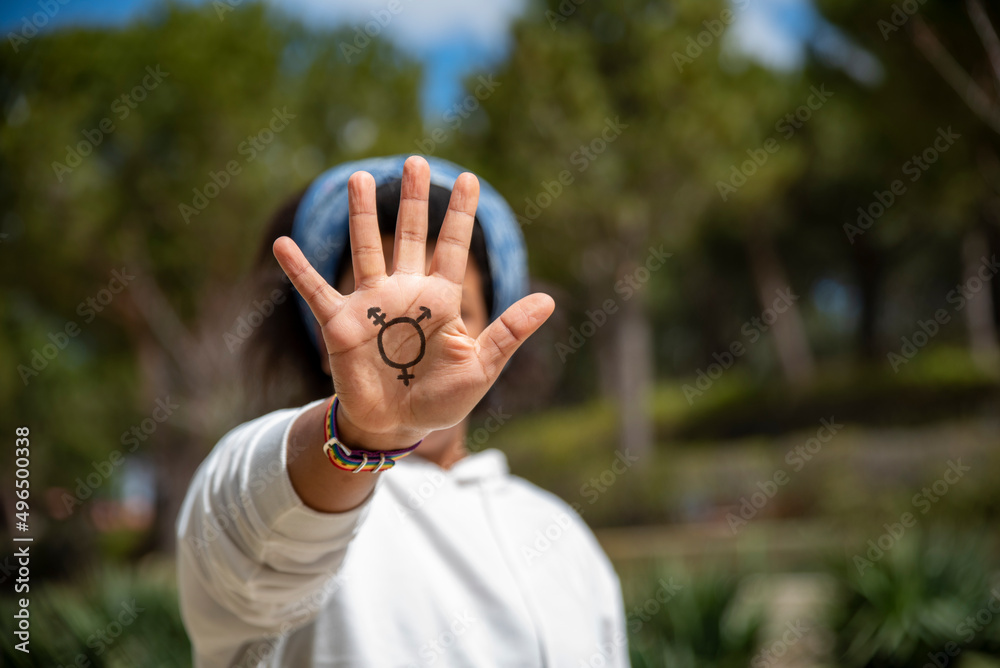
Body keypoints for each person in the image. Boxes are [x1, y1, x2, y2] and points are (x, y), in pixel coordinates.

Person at [176, 155, 629, 666]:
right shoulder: (277, 487)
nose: (407, 335)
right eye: (373, 314)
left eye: (451, 314)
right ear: (326, 342)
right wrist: (364, 435)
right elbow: (251, 524)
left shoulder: (563, 537)